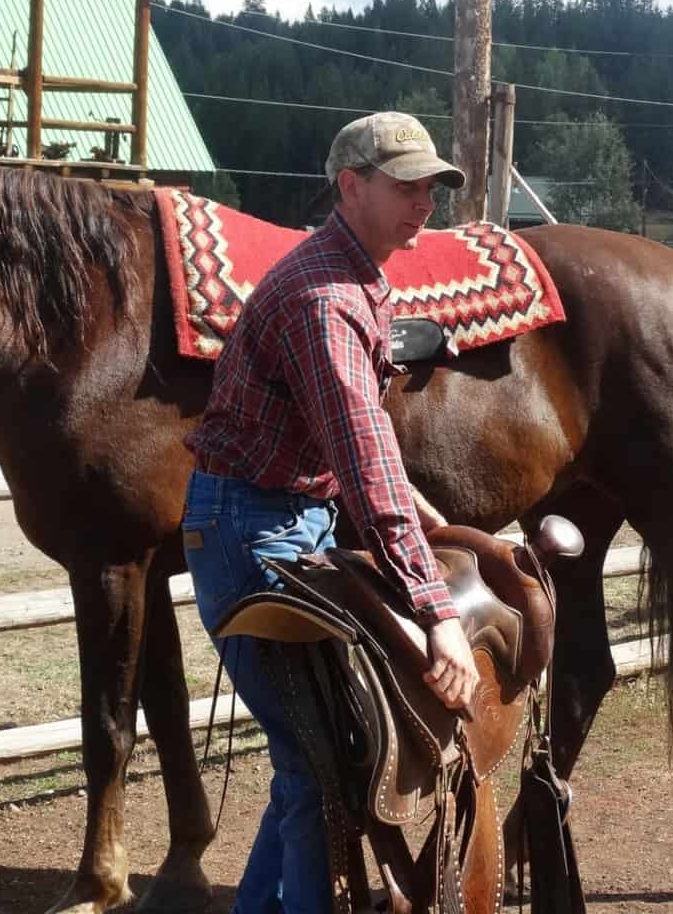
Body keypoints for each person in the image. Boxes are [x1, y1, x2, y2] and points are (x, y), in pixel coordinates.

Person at [181, 112, 481, 914]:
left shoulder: (354, 279)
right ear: (350, 186)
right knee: (317, 761)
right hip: (253, 527)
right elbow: (356, 446)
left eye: (430, 187)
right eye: (405, 186)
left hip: (277, 519)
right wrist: (435, 608)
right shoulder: (323, 298)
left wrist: (414, 509)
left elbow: (359, 435)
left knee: (317, 755)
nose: (424, 203)